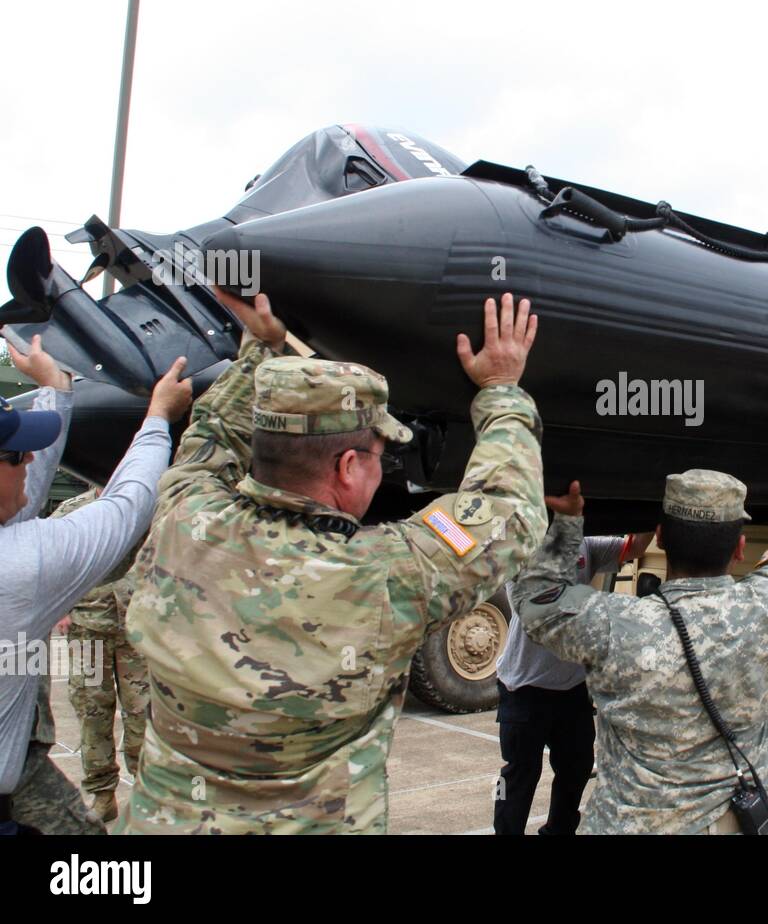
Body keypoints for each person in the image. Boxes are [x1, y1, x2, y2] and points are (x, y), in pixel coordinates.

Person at [121, 291, 547, 834]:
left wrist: (261, 348)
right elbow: (509, 512)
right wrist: (502, 389)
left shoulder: (182, 513)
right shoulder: (388, 574)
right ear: (348, 467)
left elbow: (209, 437)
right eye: (379, 456)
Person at [514, 370, 768, 834]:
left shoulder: (615, 626)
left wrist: (566, 525)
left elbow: (537, 598)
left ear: (661, 539)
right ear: (740, 547)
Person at [1, 336, 191, 836]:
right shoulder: (19, 568)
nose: (30, 467)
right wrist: (158, 419)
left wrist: (55, 389)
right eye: (20, 455)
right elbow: (126, 511)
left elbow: (15, 501)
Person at [494, 506, 652, 835]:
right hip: (524, 686)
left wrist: (650, 509)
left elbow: (634, 546)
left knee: (576, 768)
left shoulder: (587, 543)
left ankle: (559, 831)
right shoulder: (522, 547)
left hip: (572, 688)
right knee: (519, 776)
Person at [53, 488, 150, 825]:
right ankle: (103, 795)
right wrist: (59, 607)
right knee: (93, 712)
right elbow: (50, 560)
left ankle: (142, 795)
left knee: (143, 715)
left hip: (138, 632)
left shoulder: (147, 505)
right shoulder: (75, 509)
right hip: (88, 629)